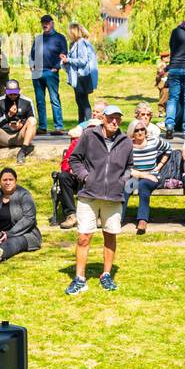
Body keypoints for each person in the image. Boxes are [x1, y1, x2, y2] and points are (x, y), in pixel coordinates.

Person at [66, 105, 133, 294]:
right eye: (111, 117)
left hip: (114, 196)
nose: (114, 121)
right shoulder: (88, 136)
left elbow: (129, 166)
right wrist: (86, 177)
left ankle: (106, 275)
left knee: (110, 235)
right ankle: (79, 278)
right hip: (89, 195)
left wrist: (122, 181)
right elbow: (74, 159)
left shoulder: (126, 141)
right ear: (103, 118)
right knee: (83, 237)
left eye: (118, 118)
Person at [122, 121, 171, 233]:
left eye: (142, 129)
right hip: (133, 175)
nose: (140, 132)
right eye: (136, 130)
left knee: (144, 186)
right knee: (126, 187)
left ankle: (142, 220)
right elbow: (124, 166)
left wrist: (159, 166)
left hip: (152, 175)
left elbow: (168, 149)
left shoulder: (153, 141)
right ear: (131, 133)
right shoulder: (127, 145)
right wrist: (141, 174)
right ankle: (118, 218)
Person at [29, 13, 67, 133]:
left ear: (52, 23)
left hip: (51, 72)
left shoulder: (60, 38)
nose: (45, 24)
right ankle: (42, 127)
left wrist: (56, 68)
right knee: (40, 101)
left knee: (54, 99)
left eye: (47, 22)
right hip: (37, 73)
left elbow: (64, 53)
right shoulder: (38, 38)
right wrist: (31, 65)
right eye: (43, 22)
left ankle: (59, 127)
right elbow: (31, 54)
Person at [0, 168, 41, 262]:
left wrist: (8, 234)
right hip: (2, 233)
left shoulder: (24, 195)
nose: (7, 182)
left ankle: (1, 254)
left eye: (11, 180)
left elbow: (29, 218)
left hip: (24, 234)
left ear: (15, 181)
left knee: (13, 243)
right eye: (4, 180)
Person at [63, 22, 99, 123]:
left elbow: (83, 61)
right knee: (79, 101)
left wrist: (68, 60)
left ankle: (89, 124)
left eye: (70, 32)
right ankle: (81, 124)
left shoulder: (81, 43)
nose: (68, 34)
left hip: (82, 76)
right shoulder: (75, 44)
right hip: (77, 77)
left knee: (83, 102)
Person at [0, 81, 37, 163]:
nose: (13, 96)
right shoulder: (0, 101)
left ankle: (23, 151)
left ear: (19, 90)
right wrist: (8, 116)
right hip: (3, 136)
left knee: (32, 121)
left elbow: (32, 119)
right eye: (10, 94)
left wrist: (21, 125)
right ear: (6, 91)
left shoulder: (27, 101)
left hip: (20, 135)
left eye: (15, 93)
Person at [155, 51, 171, 116]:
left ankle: (166, 111)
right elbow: (159, 75)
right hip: (163, 83)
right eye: (167, 57)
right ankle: (161, 111)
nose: (168, 58)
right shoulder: (162, 65)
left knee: (166, 97)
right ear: (163, 58)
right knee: (163, 98)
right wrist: (158, 82)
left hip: (166, 83)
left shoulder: (165, 65)